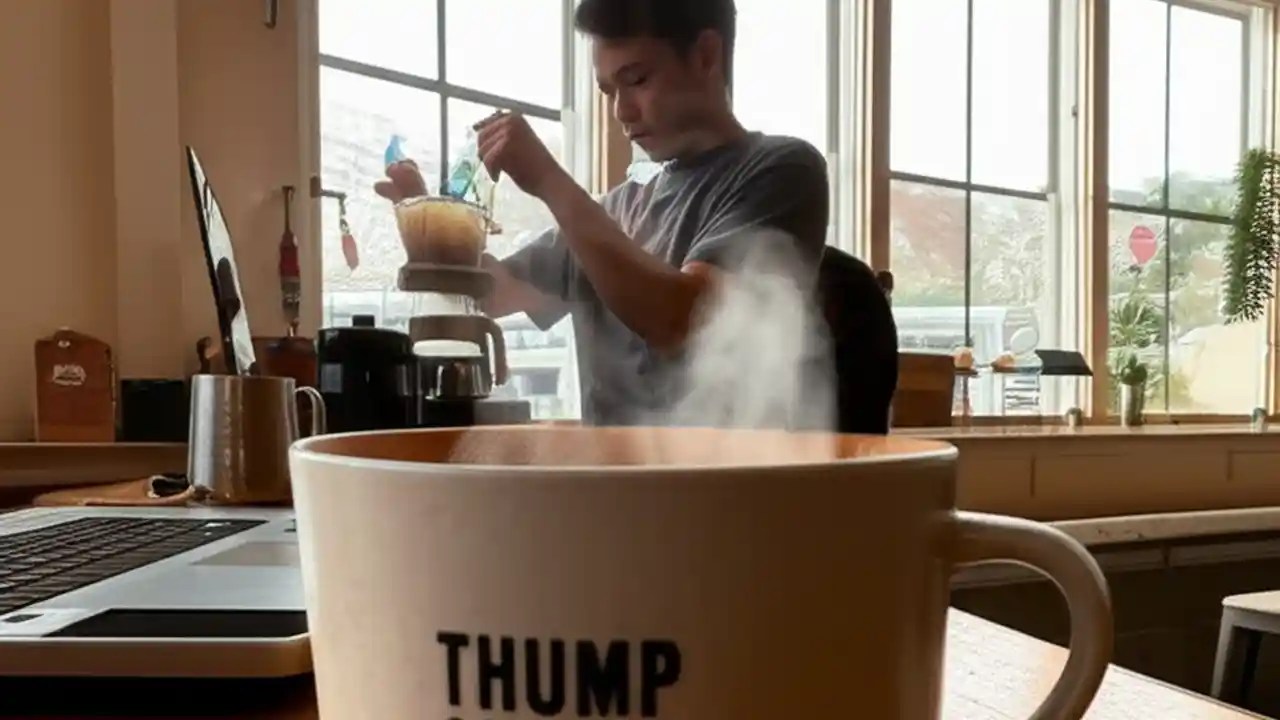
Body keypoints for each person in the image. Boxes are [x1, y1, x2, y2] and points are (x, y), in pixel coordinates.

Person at [377, 0, 831, 427]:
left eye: (636, 80)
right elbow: (495, 295)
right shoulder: (614, 212)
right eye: (609, 90)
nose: (621, 110)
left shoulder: (782, 170)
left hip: (720, 491)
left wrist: (549, 181)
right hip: (607, 488)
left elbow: (686, 323)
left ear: (706, 56)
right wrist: (432, 228)